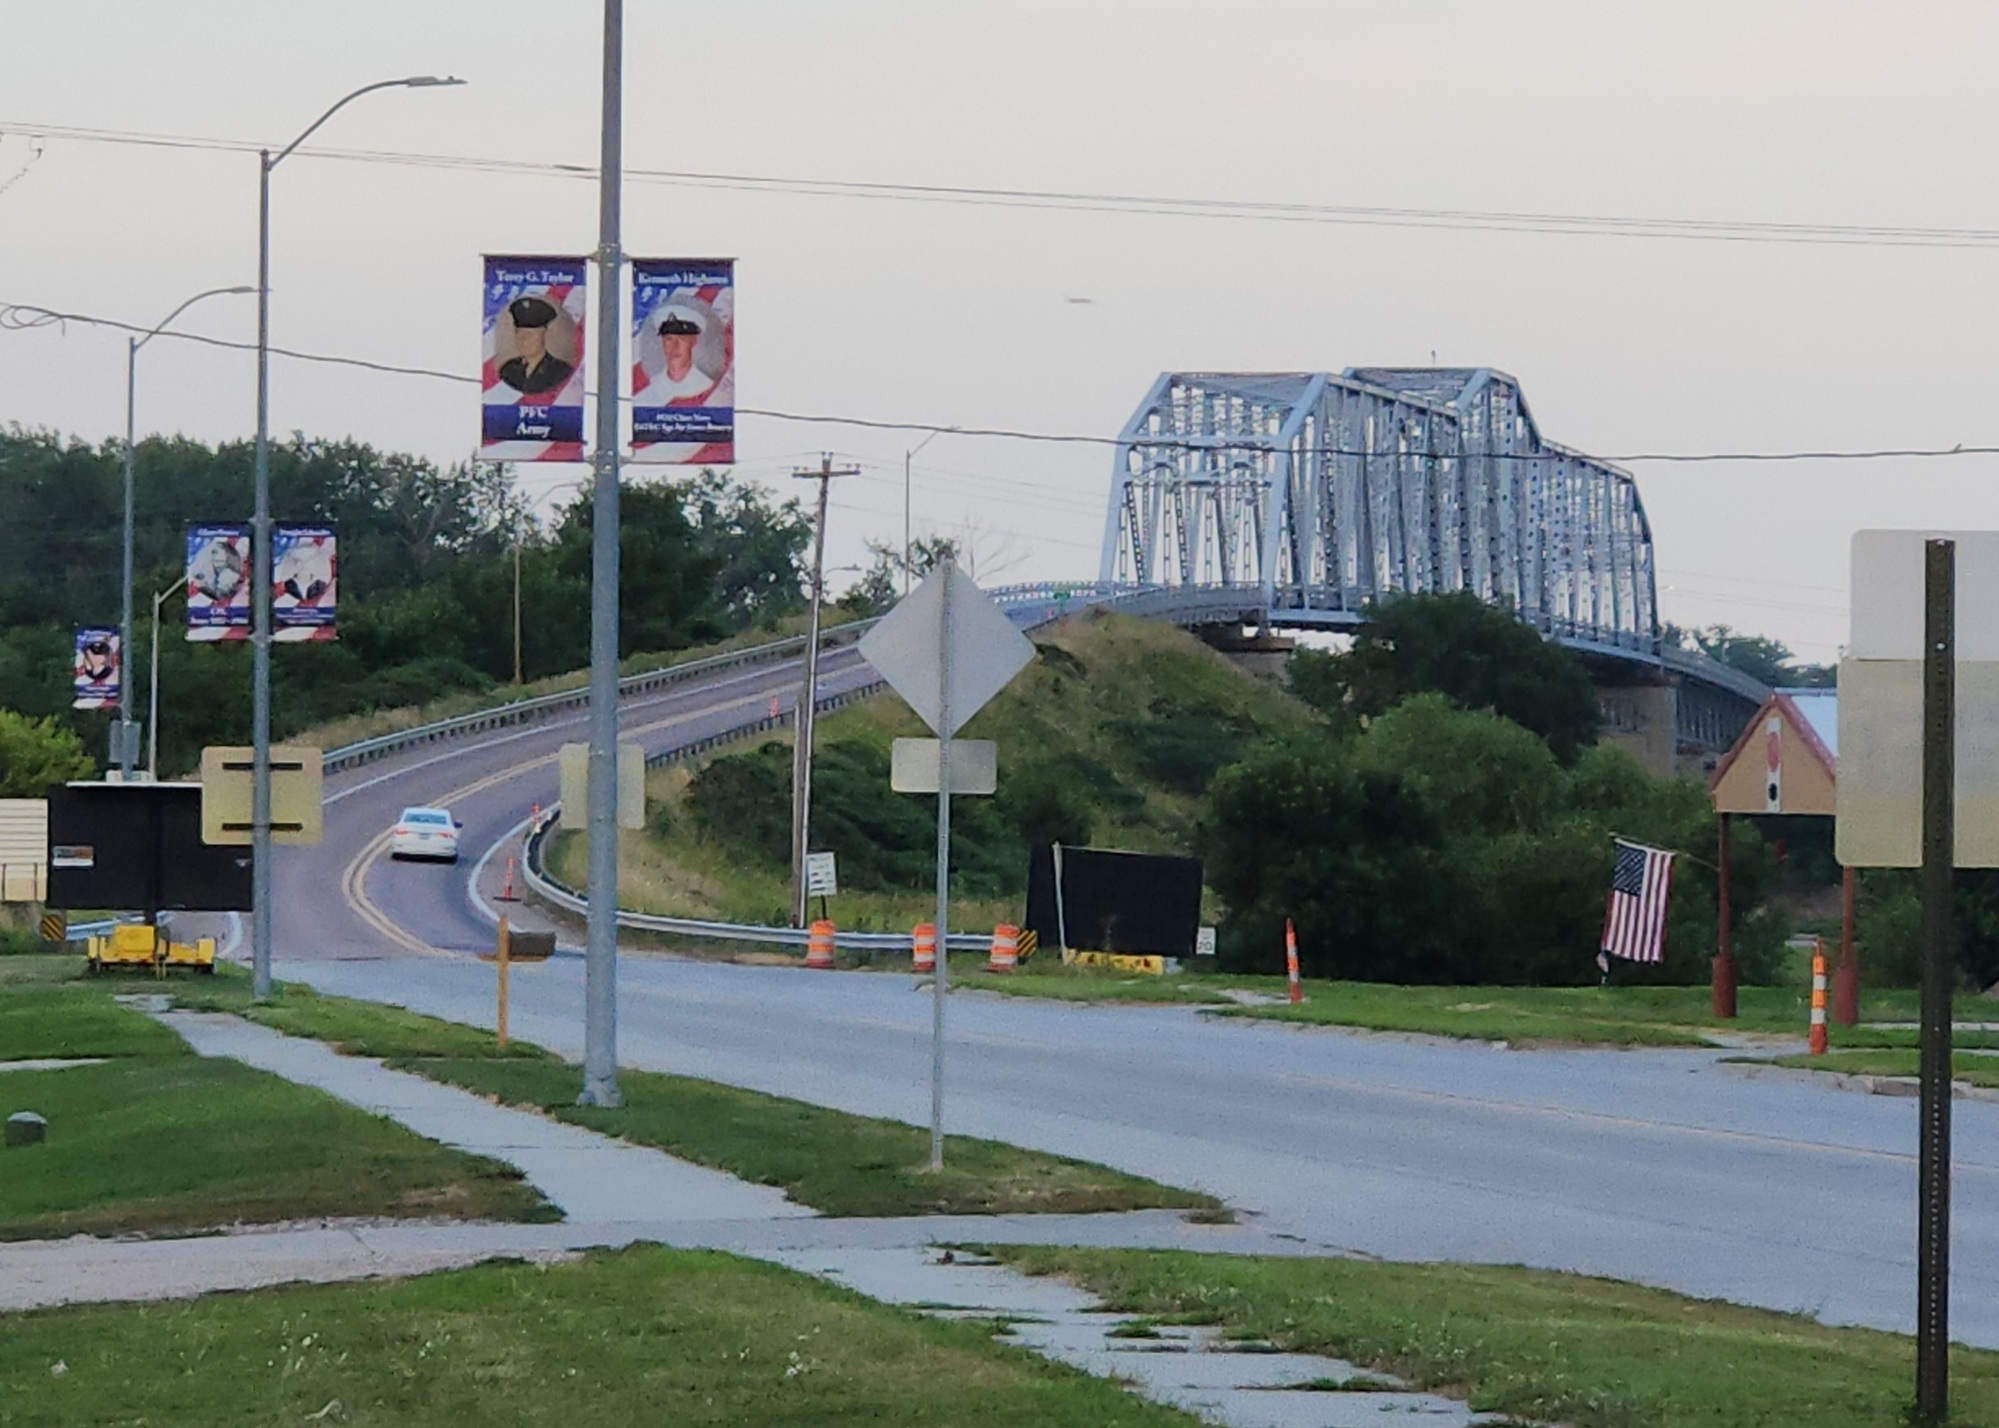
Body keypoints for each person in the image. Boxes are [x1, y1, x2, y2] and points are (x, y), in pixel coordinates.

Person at [497, 295, 575, 396]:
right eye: (518, 333)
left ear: (543, 335)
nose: (523, 340)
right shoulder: (508, 370)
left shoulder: (560, 371)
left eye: (529, 335)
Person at [650, 305, 720, 402]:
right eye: (668, 339)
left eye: (682, 339)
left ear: (693, 341)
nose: (674, 346)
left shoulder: (705, 385)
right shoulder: (653, 384)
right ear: (662, 342)